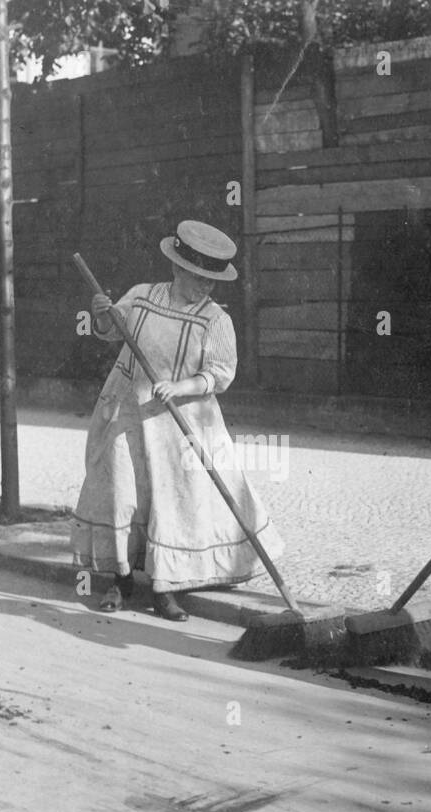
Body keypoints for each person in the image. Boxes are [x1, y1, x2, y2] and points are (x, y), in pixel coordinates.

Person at [71, 220, 285, 620]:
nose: (205, 287)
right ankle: (119, 581)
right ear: (177, 269)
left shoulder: (216, 321)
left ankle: (165, 589)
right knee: (123, 491)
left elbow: (222, 373)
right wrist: (103, 315)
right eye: (198, 277)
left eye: (212, 280)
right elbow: (108, 331)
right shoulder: (143, 296)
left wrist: (181, 386)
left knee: (174, 501)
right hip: (128, 410)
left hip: (181, 418)